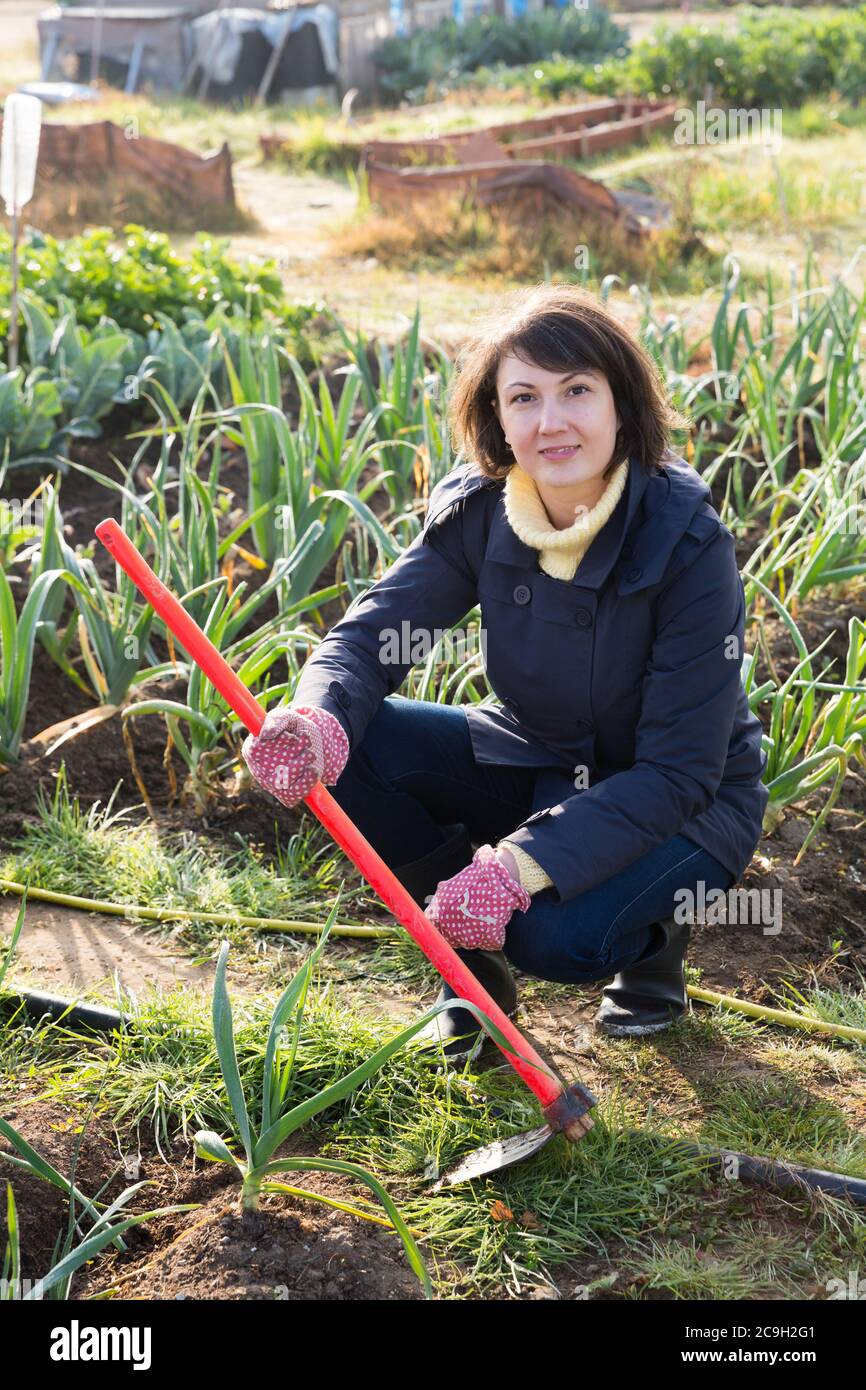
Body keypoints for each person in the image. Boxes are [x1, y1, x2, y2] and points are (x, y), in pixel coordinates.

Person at [243, 283, 769, 1058]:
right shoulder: (485, 512)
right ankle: (467, 972)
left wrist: (518, 869)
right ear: (498, 419)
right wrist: (316, 715)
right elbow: (368, 638)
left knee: (553, 939)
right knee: (351, 750)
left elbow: (678, 772)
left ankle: (654, 941)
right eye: (524, 397)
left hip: (684, 798)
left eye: (577, 391)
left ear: (622, 404)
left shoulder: (686, 542)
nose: (551, 422)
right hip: (537, 754)